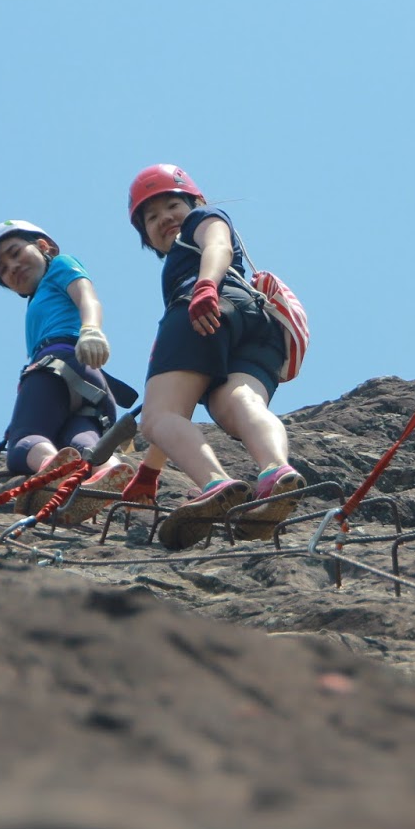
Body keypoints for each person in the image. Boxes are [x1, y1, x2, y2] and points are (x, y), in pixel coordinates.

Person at [128, 164, 306, 549]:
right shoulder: (194, 242)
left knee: (157, 417)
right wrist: (149, 470)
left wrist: (205, 285)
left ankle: (216, 484)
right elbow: (183, 401)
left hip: (205, 307)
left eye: (172, 204)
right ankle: (276, 472)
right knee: (236, 403)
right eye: (151, 218)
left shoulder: (204, 220)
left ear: (197, 202)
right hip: (256, 323)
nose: (164, 219)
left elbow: (218, 246)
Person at [0, 220, 134, 521]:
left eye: (15, 253)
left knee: (24, 441)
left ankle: (55, 471)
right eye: (3, 269)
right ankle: (111, 470)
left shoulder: (61, 265)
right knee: (80, 440)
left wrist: (91, 329)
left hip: (57, 365)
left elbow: (87, 296)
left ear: (44, 247)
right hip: (90, 382)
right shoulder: (38, 302)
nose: (11, 266)